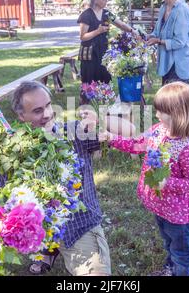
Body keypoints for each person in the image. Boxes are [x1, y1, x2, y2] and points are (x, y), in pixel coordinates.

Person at [11, 81, 134, 276]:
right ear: (21, 116)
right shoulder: (14, 151)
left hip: (79, 227)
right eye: (37, 110)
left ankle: (53, 249)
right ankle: (49, 249)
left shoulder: (73, 132)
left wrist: (101, 120)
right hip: (41, 229)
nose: (47, 114)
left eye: (49, 105)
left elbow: (129, 130)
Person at [100, 82, 189, 276]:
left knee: (181, 251)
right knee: (168, 242)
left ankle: (179, 271)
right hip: (162, 206)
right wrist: (111, 138)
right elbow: (136, 144)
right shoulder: (158, 130)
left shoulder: (188, 150)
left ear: (178, 113)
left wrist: (167, 183)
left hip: (179, 213)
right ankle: (170, 269)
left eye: (161, 111)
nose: (156, 115)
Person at [77, 0, 140, 104]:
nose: (106, 1)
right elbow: (82, 36)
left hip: (103, 53)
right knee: (88, 84)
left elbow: (120, 24)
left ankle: (102, 107)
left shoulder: (106, 13)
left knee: (104, 81)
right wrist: (98, 31)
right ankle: (85, 109)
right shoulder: (86, 15)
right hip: (90, 55)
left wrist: (133, 31)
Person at [147, 0, 189, 85]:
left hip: (179, 65)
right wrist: (148, 36)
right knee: (167, 99)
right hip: (166, 63)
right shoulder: (163, 7)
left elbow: (179, 42)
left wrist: (158, 41)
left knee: (178, 100)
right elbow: (157, 32)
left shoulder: (182, 9)